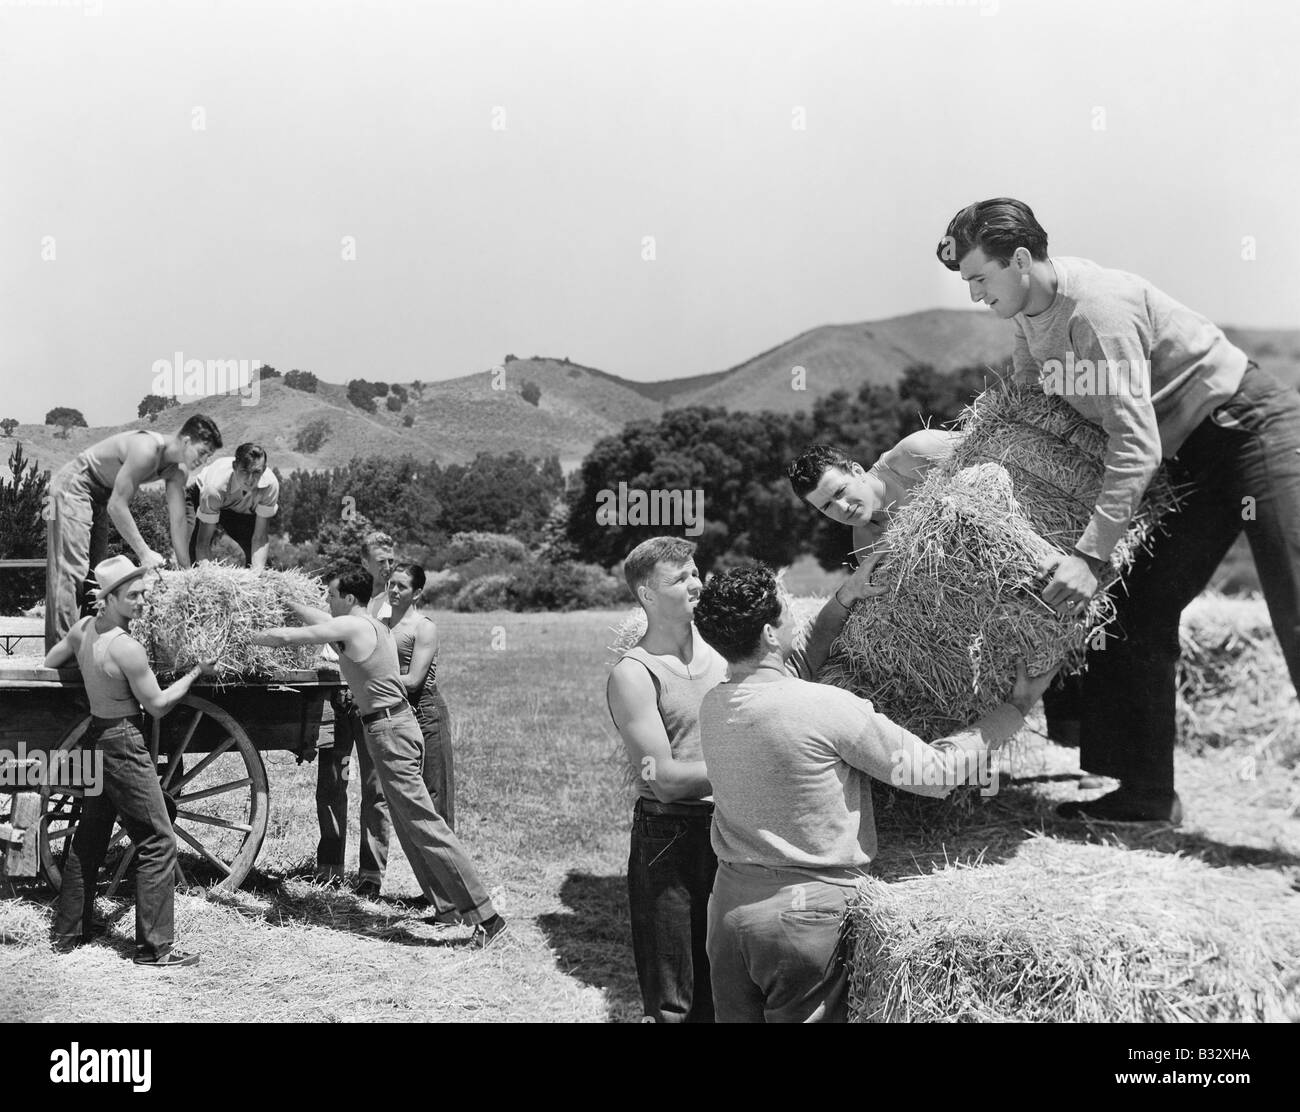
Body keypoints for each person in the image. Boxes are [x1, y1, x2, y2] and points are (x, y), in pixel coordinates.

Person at [937, 196, 1300, 823]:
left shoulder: (1096, 311)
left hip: (1247, 429)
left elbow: (1135, 442)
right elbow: (1033, 405)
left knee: (1295, 607)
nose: (974, 296)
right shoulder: (1027, 309)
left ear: (1020, 260)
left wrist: (1086, 555)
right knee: (1132, 605)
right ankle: (1145, 795)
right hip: (1185, 458)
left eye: (979, 279)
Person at [693, 561, 1055, 1022]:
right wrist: (1016, 707)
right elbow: (934, 772)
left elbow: (793, 669)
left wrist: (844, 599)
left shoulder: (715, 704)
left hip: (729, 910)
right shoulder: (827, 707)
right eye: (786, 612)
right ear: (768, 633)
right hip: (805, 920)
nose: (793, 619)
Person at [252, 566, 506, 946]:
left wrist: (243, 634)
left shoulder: (354, 628)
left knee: (425, 824)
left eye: (332, 594)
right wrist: (286, 598)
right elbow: (318, 618)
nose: (327, 601)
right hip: (392, 728)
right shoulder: (368, 624)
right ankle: (448, 907)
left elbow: (291, 636)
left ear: (348, 598)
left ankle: (486, 915)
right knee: (408, 824)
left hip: (390, 731)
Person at [45, 555, 217, 966]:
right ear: (109, 598)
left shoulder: (83, 630)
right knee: (158, 840)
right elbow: (156, 705)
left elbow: (51, 662)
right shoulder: (126, 647)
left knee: (89, 839)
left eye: (143, 592)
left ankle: (69, 934)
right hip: (123, 741)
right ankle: (155, 949)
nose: (142, 600)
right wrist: (196, 671)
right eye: (133, 594)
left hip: (95, 736)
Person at [606, 537, 728, 1023]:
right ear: (646, 596)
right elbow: (665, 780)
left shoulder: (724, 654)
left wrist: (845, 599)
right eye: (680, 578)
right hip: (670, 835)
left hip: (732, 827)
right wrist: (751, 763)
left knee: (726, 982)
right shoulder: (634, 674)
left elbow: (796, 660)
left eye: (696, 572)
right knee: (675, 996)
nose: (696, 583)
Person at [44, 415, 222, 651]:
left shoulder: (178, 472)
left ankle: (85, 650)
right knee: (72, 569)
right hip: (73, 485)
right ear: (187, 441)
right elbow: (117, 506)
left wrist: (186, 571)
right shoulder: (147, 450)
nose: (203, 460)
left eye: (208, 456)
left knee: (96, 576)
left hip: (100, 494)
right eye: (202, 451)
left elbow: (178, 522)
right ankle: (61, 656)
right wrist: (145, 553)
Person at [314, 529, 397, 893]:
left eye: (392, 561)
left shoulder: (393, 606)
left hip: (370, 701)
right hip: (336, 693)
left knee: (375, 789)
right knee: (332, 781)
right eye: (381, 561)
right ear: (364, 562)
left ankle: (370, 874)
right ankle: (329, 867)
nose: (389, 568)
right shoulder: (348, 598)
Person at [787, 432, 960, 561]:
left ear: (857, 471)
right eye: (826, 506)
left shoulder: (914, 453)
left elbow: (983, 443)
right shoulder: (867, 548)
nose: (843, 507)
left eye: (840, 492)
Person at [385, 563, 455, 832]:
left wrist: (374, 682)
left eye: (401, 586)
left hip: (424, 710)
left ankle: (446, 868)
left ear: (416, 593)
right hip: (395, 711)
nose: (393, 590)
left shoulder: (423, 627)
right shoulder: (381, 625)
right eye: (391, 583)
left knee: (435, 794)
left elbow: (413, 681)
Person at [186, 442, 279, 570]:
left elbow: (260, 537)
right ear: (235, 466)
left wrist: (256, 576)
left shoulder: (270, 485)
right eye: (245, 471)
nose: (250, 479)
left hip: (237, 507)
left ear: (263, 469)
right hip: (203, 498)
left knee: (262, 564)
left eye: (256, 472)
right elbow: (202, 544)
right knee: (190, 559)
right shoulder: (214, 489)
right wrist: (209, 579)